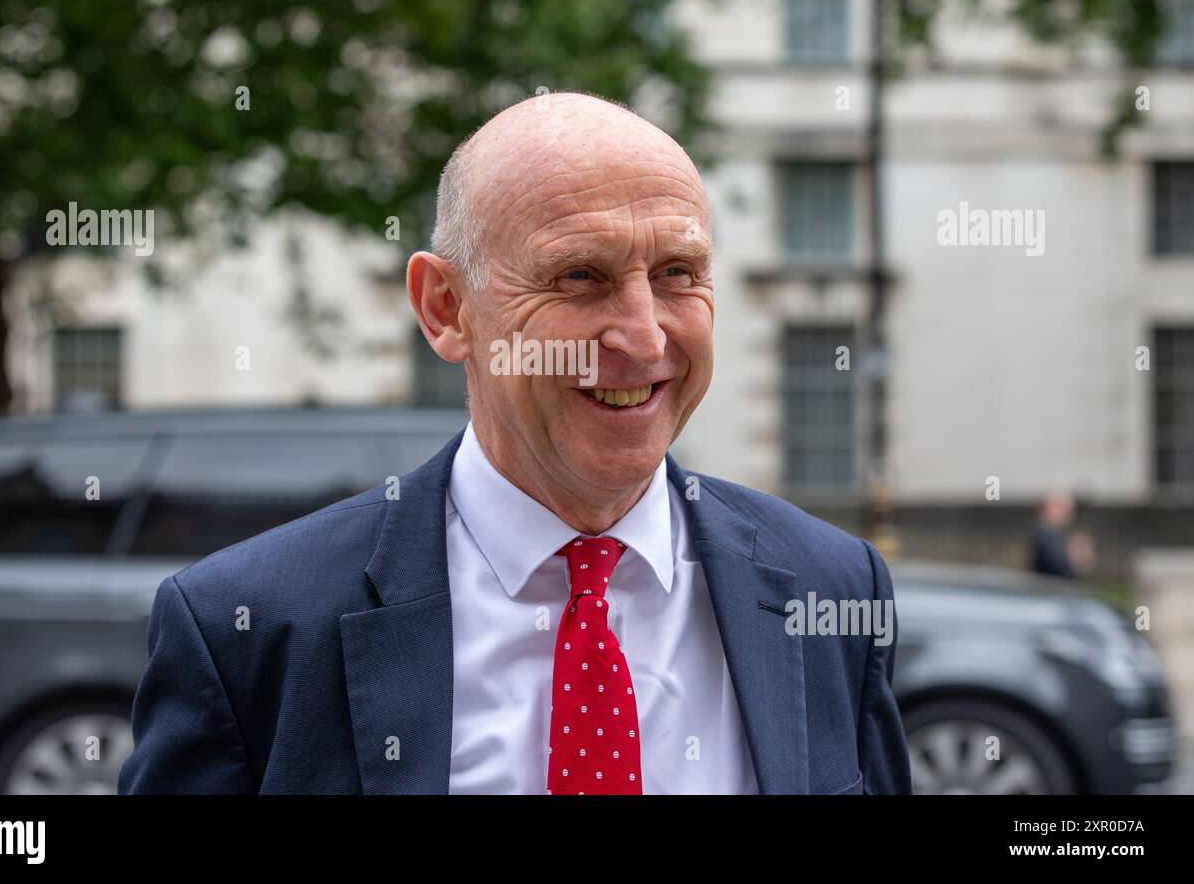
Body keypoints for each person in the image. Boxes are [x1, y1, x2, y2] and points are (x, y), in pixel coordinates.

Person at [119, 92, 911, 795]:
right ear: (445, 308)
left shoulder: (831, 591)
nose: (643, 338)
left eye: (677, 272)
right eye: (579, 278)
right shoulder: (246, 628)